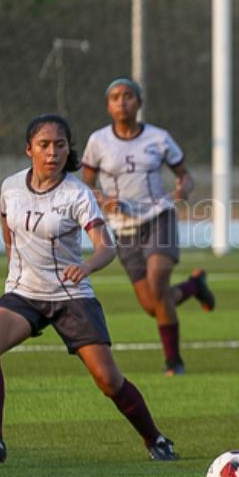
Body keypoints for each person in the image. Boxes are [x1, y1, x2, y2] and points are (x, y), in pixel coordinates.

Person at [0, 114, 177, 464]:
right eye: (44, 145)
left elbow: (106, 246)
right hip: (24, 294)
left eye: (60, 145)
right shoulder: (11, 187)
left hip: (70, 296)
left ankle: (156, 439)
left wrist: (86, 266)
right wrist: (15, 276)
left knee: (108, 380)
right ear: (29, 149)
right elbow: (7, 233)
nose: (52, 152)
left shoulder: (77, 193)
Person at [82, 78, 215, 376]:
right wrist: (103, 200)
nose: (122, 102)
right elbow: (86, 184)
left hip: (159, 217)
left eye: (128, 96)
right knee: (151, 305)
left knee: (157, 283)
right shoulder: (97, 141)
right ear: (107, 106)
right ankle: (195, 286)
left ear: (139, 102)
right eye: (115, 97)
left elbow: (186, 176)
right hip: (123, 227)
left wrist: (183, 189)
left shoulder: (158, 138)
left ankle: (174, 363)